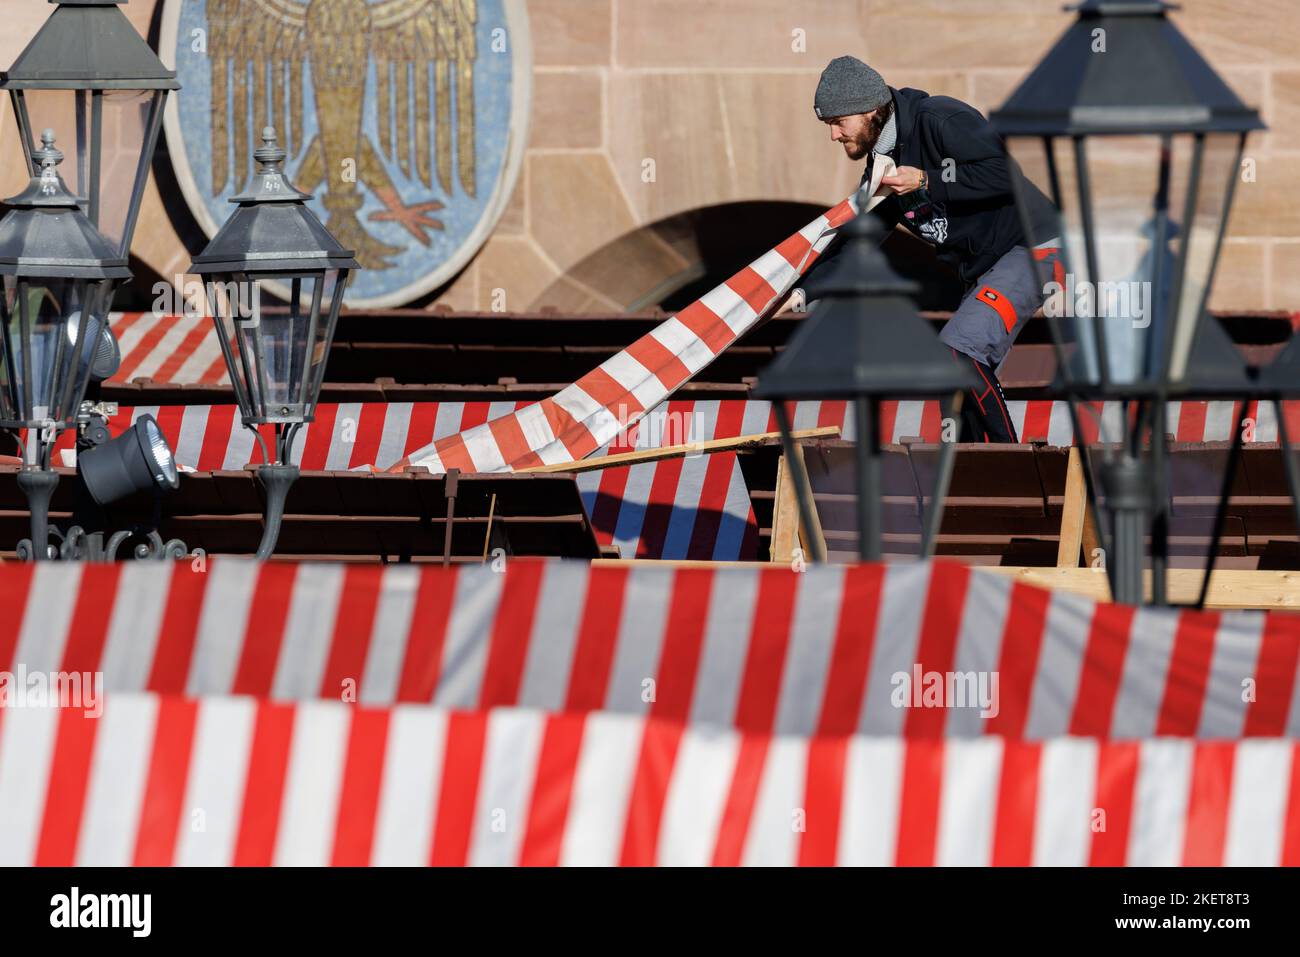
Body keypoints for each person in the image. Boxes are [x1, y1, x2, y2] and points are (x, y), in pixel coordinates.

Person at [802, 55, 1062, 443]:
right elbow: (860, 239)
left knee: (958, 348)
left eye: (839, 123)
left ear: (871, 110)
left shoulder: (939, 118)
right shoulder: (882, 163)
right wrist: (804, 289)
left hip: (1035, 245)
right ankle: (980, 479)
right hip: (985, 267)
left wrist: (928, 179)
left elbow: (1005, 174)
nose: (834, 136)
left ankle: (1013, 462)